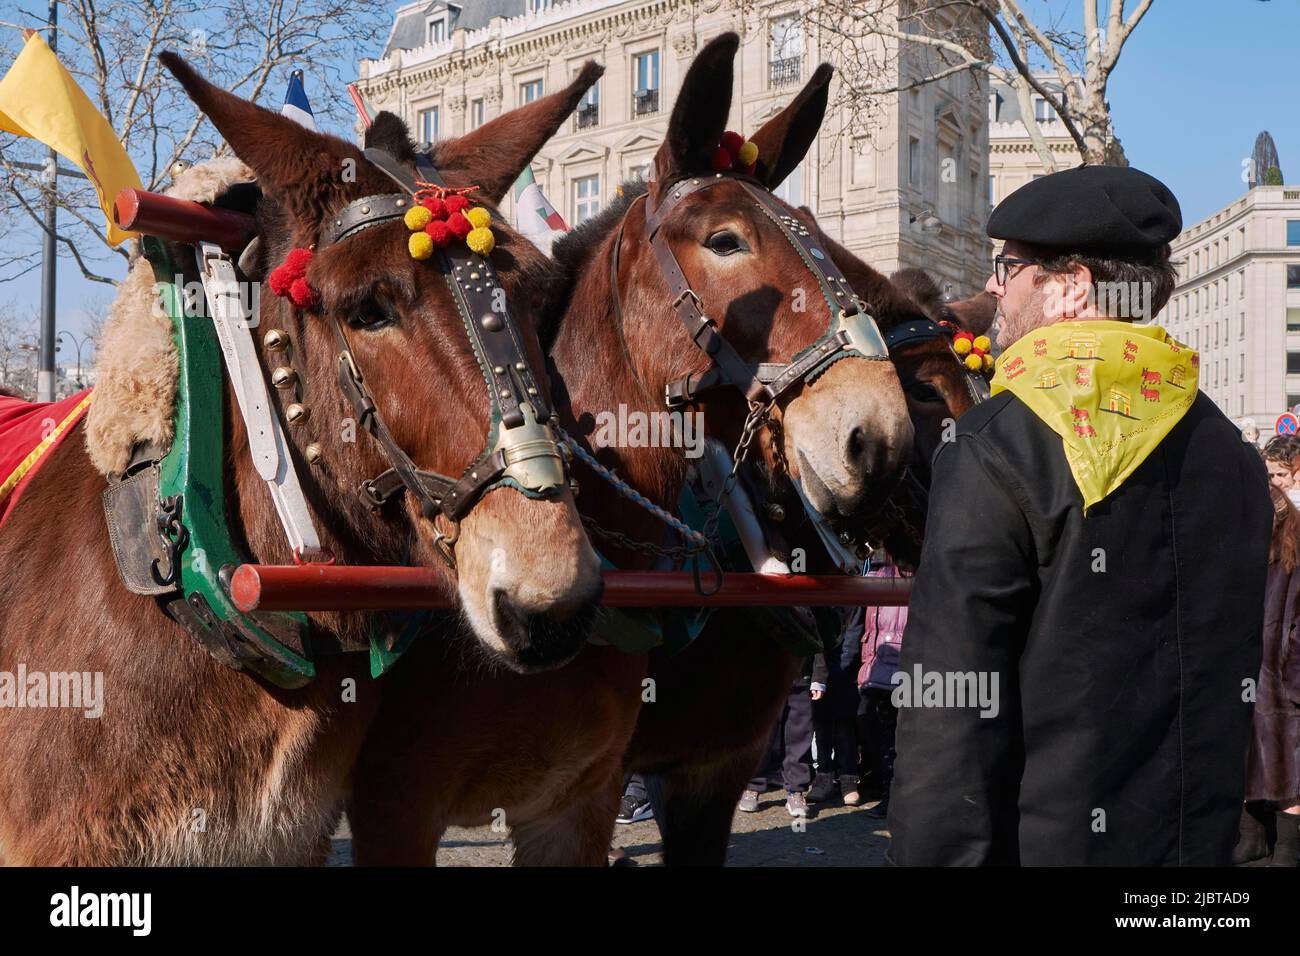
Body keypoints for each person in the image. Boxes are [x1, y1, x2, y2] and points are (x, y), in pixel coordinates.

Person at [887, 165, 1273, 866]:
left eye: (1009, 267)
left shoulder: (993, 443)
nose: (993, 288)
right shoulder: (1233, 453)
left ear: (1071, 289)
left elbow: (949, 717)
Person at [1235, 485, 1300, 866]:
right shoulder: (1246, 546)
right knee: (1247, 756)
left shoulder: (1292, 551)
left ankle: (1290, 847)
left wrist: (1292, 679)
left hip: (1279, 677)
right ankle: (1252, 835)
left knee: (1288, 764)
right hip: (1245, 674)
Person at [859, 559, 909, 819]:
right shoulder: (877, 574)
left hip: (910, 672)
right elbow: (867, 626)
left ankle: (900, 801)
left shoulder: (920, 574)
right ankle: (889, 799)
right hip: (880, 672)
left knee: (904, 743)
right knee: (886, 742)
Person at [808, 608, 864, 805]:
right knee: (821, 726)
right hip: (818, 668)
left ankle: (848, 780)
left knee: (846, 727)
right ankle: (823, 776)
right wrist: (820, 675)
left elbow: (854, 633)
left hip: (847, 671)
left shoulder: (853, 600)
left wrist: (842, 669)